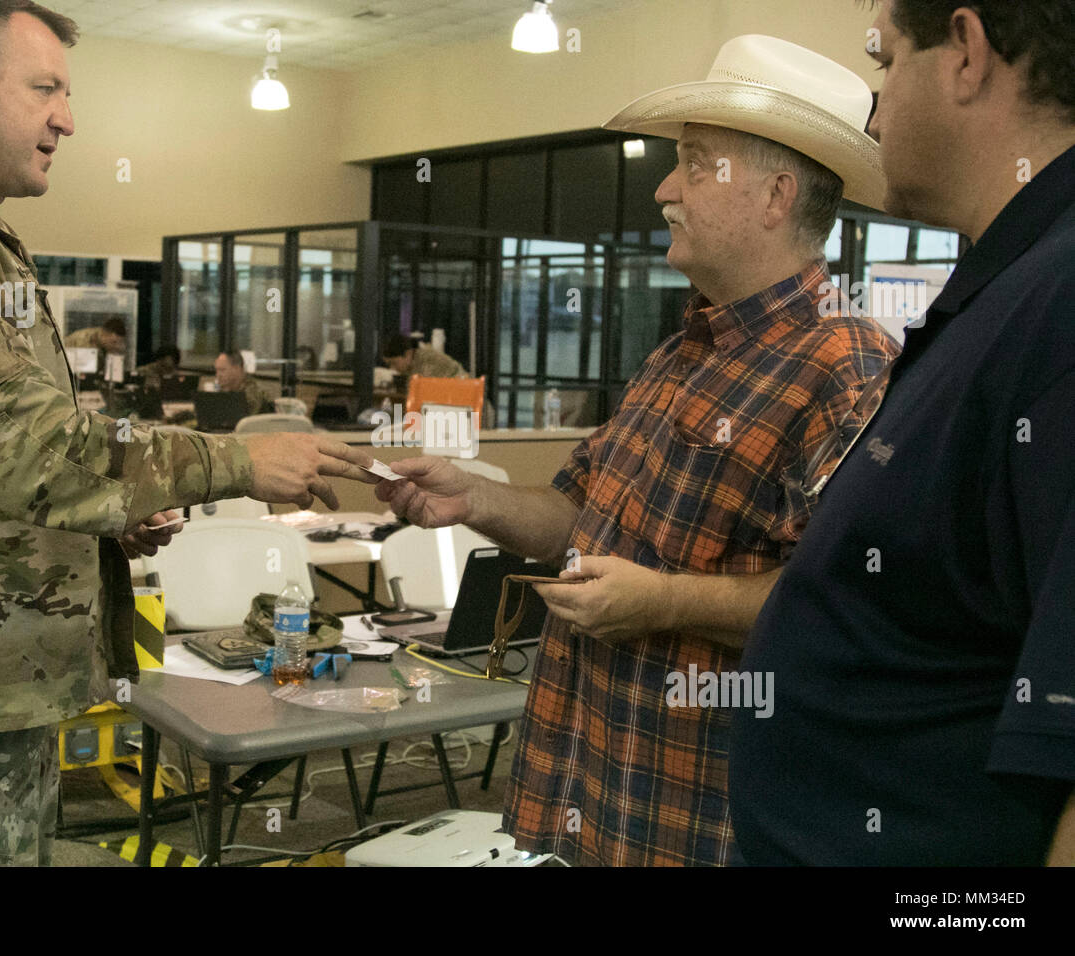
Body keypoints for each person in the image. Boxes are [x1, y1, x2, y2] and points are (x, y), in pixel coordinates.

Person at [0, 0, 375, 866]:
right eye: (45, 89)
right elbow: (20, 453)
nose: (68, 117)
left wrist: (107, 514)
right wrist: (237, 461)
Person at [376, 35, 899, 866]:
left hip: (705, 817)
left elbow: (846, 606)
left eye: (693, 164)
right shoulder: (680, 351)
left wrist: (662, 601)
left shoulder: (849, 365)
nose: (662, 189)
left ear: (774, 195)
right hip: (600, 785)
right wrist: (469, 499)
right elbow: (577, 516)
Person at [730, 0, 1075, 866]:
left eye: (885, 62)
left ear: (965, 52)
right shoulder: (1009, 289)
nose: (876, 112)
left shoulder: (1062, 305)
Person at [214, 349, 275, 416]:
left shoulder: (253, 392)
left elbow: (242, 422)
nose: (218, 375)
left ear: (237, 369)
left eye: (222, 370)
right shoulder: (227, 389)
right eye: (217, 370)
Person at [381, 333, 468, 380]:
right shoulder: (412, 363)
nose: (392, 368)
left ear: (408, 354)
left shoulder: (427, 361)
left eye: (393, 363)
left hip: (460, 391)